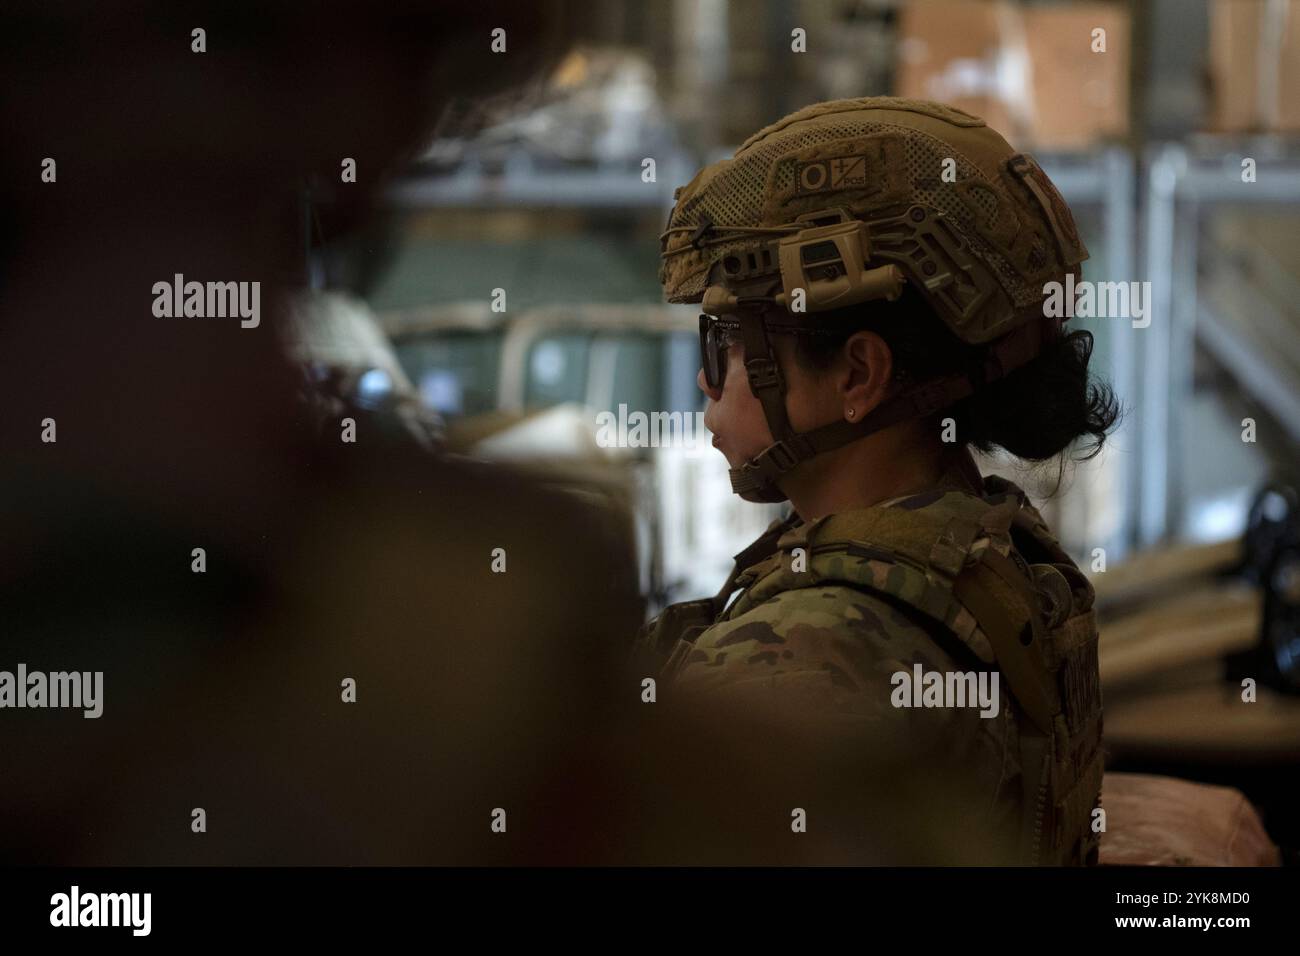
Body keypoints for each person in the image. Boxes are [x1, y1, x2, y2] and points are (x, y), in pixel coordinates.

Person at [631, 96, 1121, 865]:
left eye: (726, 338)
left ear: (858, 374)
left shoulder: (795, 661)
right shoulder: (989, 546)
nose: (704, 376)